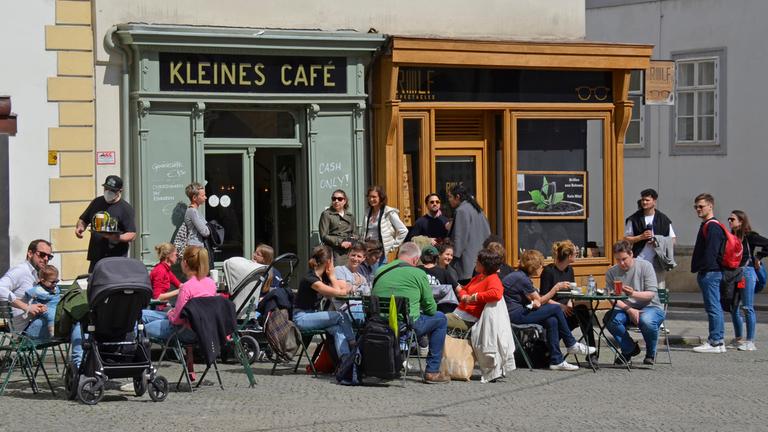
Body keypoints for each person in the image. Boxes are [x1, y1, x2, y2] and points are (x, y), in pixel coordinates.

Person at [502, 250, 595, 371]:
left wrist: (534, 301)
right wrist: (555, 289)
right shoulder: (521, 278)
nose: (542, 268)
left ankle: (557, 360)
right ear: (533, 267)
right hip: (515, 315)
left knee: (551, 320)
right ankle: (571, 343)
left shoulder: (519, 276)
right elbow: (540, 300)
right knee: (556, 308)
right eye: (540, 265)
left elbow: (532, 299)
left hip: (517, 312)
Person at [371, 242, 450, 383]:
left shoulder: (380, 270)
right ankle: (432, 371)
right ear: (415, 260)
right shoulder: (418, 273)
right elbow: (431, 309)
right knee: (441, 319)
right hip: (405, 326)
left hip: (379, 324)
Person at [142, 246, 216, 381]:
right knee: (142, 314)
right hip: (201, 330)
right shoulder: (211, 284)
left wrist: (171, 313)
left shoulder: (187, 287)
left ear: (186, 263)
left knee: (141, 329)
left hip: (183, 330)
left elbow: (176, 320)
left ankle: (140, 373)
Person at [604, 240, 665, 366]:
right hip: (626, 308)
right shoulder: (611, 272)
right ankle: (629, 349)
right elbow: (612, 298)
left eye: (624, 259)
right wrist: (629, 309)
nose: (621, 263)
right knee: (609, 319)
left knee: (646, 320)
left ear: (631, 254)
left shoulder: (645, 266)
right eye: (618, 260)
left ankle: (650, 353)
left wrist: (633, 294)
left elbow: (651, 294)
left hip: (650, 306)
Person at [293, 245, 356, 362]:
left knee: (337, 328)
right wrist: (333, 276)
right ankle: (354, 346)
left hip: (313, 316)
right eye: (332, 261)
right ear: (328, 262)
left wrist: (338, 282)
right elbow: (339, 292)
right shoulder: (311, 279)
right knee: (340, 315)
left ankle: (346, 360)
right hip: (302, 318)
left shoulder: (322, 278)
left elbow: (343, 287)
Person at [539, 240, 597, 364]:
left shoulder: (569, 270)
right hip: (553, 310)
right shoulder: (548, 271)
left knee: (583, 311)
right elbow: (543, 298)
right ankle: (569, 346)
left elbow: (572, 292)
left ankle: (593, 354)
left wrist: (570, 303)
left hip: (567, 309)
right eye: (575, 254)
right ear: (569, 256)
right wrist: (561, 306)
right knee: (580, 313)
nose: (576, 256)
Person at [75, 175, 137, 272]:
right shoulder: (97, 202)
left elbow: (132, 234)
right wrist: (80, 228)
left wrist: (116, 238)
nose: (108, 192)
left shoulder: (125, 208)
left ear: (119, 191)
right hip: (96, 257)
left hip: (115, 259)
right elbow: (83, 219)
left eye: (112, 190)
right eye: (106, 188)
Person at [691, 193, 727, 353]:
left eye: (701, 206)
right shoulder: (710, 225)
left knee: (713, 307)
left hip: (711, 272)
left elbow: (712, 252)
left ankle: (716, 341)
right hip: (710, 271)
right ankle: (716, 340)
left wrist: (704, 269)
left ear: (710, 206)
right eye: (696, 207)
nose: (698, 209)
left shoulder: (712, 226)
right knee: (714, 306)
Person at [727, 210, 768, 351]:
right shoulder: (731, 236)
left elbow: (767, 244)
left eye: (732, 219)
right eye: (729, 219)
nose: (730, 221)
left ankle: (750, 341)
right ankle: (739, 339)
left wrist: (759, 257)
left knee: (747, 307)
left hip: (746, 273)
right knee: (733, 307)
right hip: (734, 273)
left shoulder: (750, 236)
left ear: (741, 221)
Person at [624, 188, 676, 290]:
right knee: (638, 288)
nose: (644, 202)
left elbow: (673, 240)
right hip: (639, 260)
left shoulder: (663, 219)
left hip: (658, 261)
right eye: (643, 200)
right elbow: (626, 239)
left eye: (647, 200)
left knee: (659, 289)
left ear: (654, 201)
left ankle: (659, 306)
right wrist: (641, 237)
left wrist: (659, 241)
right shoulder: (634, 219)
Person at [0, 239, 52, 337]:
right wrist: (26, 307)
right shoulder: (20, 271)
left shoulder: (37, 274)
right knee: (72, 324)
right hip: (24, 331)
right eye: (42, 254)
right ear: (30, 253)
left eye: (49, 256)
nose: (45, 258)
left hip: (35, 323)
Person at [446, 248, 504, 332]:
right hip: (459, 314)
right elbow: (464, 289)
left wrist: (474, 297)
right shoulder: (479, 276)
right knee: (436, 317)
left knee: (438, 319)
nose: (475, 263)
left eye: (478, 261)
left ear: (485, 265)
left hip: (469, 320)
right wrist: (464, 296)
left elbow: (496, 294)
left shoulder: (493, 278)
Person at [447, 183, 490, 283]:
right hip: (480, 261)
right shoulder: (477, 209)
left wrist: (452, 258)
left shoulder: (461, 210)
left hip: (466, 265)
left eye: (450, 197)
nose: (448, 200)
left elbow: (459, 238)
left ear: (457, 197)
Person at [364, 185, 408, 264]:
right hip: (367, 251)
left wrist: (392, 247)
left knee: (376, 274)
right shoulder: (367, 211)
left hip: (378, 252)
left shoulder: (389, 212)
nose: (371, 199)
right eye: (369, 197)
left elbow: (403, 231)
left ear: (381, 197)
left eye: (374, 197)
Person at [333, 241, 370, 323]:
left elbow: (368, 296)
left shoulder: (362, 277)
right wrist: (356, 284)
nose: (355, 259)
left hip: (361, 310)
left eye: (359, 256)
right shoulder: (339, 270)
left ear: (363, 259)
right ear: (348, 255)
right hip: (344, 310)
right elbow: (343, 290)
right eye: (353, 255)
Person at [318, 189, 356, 266]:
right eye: (334, 199)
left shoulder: (350, 216)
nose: (336, 201)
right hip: (335, 251)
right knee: (338, 274)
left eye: (339, 199)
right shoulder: (327, 214)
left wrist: (351, 242)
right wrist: (340, 242)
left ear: (345, 201)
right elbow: (324, 236)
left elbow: (355, 233)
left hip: (350, 250)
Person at [24, 264, 62, 337]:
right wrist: (35, 305)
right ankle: (53, 334)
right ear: (43, 280)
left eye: (56, 281)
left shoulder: (55, 287)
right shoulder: (38, 289)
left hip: (56, 307)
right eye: (52, 282)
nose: (55, 284)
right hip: (45, 308)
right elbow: (28, 294)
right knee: (52, 315)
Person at [419, 246, 459, 313]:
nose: (449, 257)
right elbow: (458, 290)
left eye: (451, 255)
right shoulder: (445, 273)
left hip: (419, 309)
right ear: (438, 256)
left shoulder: (416, 270)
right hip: (437, 311)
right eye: (447, 254)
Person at [149, 243, 181, 310]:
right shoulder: (160, 271)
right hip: (157, 309)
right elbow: (157, 298)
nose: (177, 257)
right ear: (169, 256)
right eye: (176, 254)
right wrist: (178, 291)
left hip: (163, 306)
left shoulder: (166, 270)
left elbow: (180, 285)